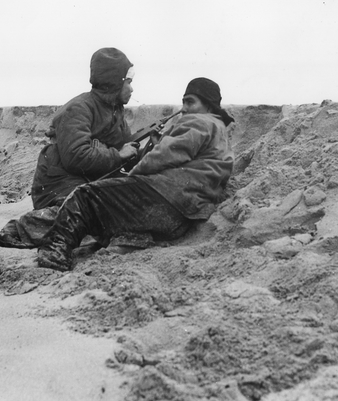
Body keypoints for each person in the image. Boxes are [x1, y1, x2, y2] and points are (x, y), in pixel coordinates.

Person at [35, 77, 234, 271]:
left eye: (190, 102)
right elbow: (188, 159)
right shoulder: (219, 131)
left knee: (85, 196)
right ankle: (132, 239)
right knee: (112, 209)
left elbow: (166, 155)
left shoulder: (199, 122)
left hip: (166, 197)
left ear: (208, 107)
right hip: (181, 218)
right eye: (183, 102)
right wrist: (159, 144)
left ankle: (55, 251)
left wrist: (132, 175)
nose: (184, 109)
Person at [0, 48, 138, 247]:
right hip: (57, 182)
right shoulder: (79, 108)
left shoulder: (113, 110)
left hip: (85, 179)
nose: (132, 89)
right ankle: (18, 230)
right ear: (114, 83)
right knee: (83, 212)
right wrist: (118, 155)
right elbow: (76, 156)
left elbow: (124, 145)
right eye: (128, 82)